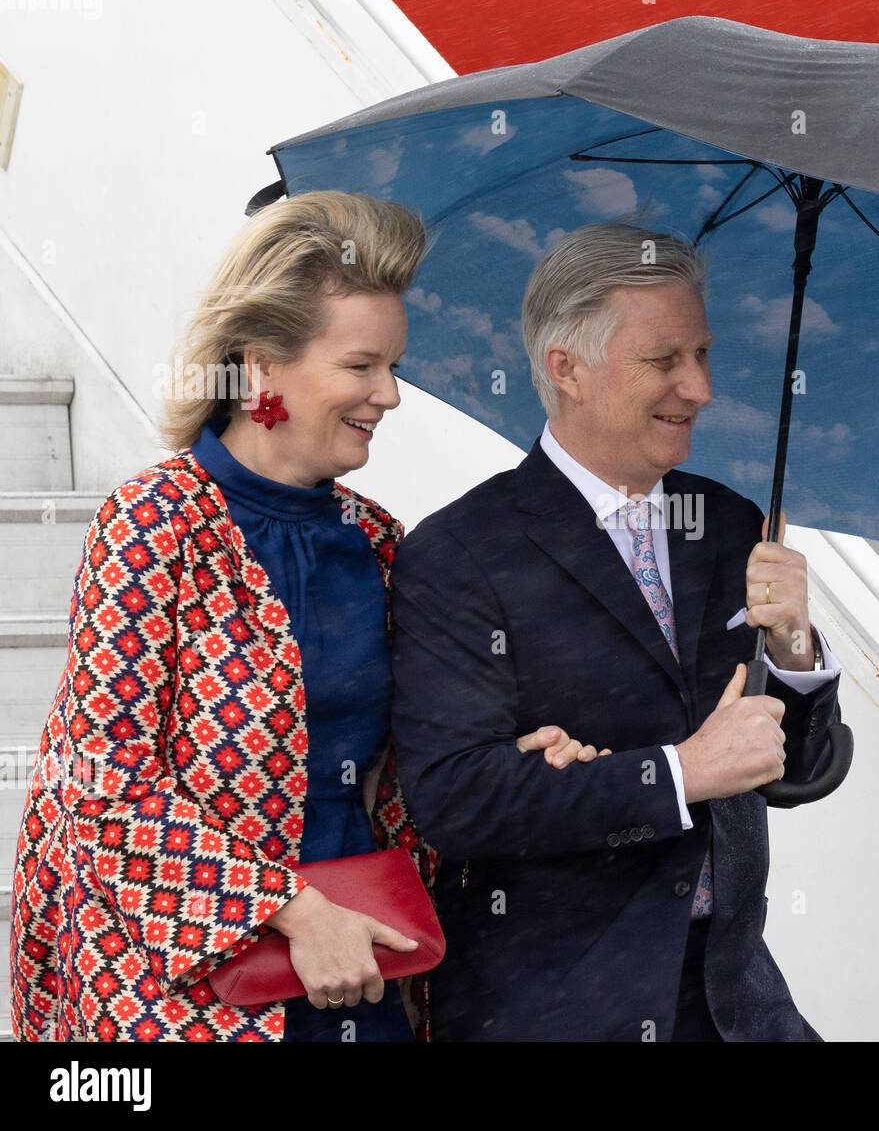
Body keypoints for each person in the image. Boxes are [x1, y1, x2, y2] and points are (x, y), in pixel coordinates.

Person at [7, 190, 597, 1042]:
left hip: (365, 960)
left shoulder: (383, 543)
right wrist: (287, 908)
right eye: (362, 367)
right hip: (185, 987)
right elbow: (102, 785)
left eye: (392, 366)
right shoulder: (152, 525)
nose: (389, 395)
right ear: (260, 370)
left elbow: (405, 760)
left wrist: (502, 759)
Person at [391, 222, 843, 1041]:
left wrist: (795, 654)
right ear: (567, 368)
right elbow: (458, 801)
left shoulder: (733, 522)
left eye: (702, 356)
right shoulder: (459, 553)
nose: (699, 388)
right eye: (666, 360)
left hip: (737, 999)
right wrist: (679, 773)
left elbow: (798, 770)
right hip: (559, 1006)